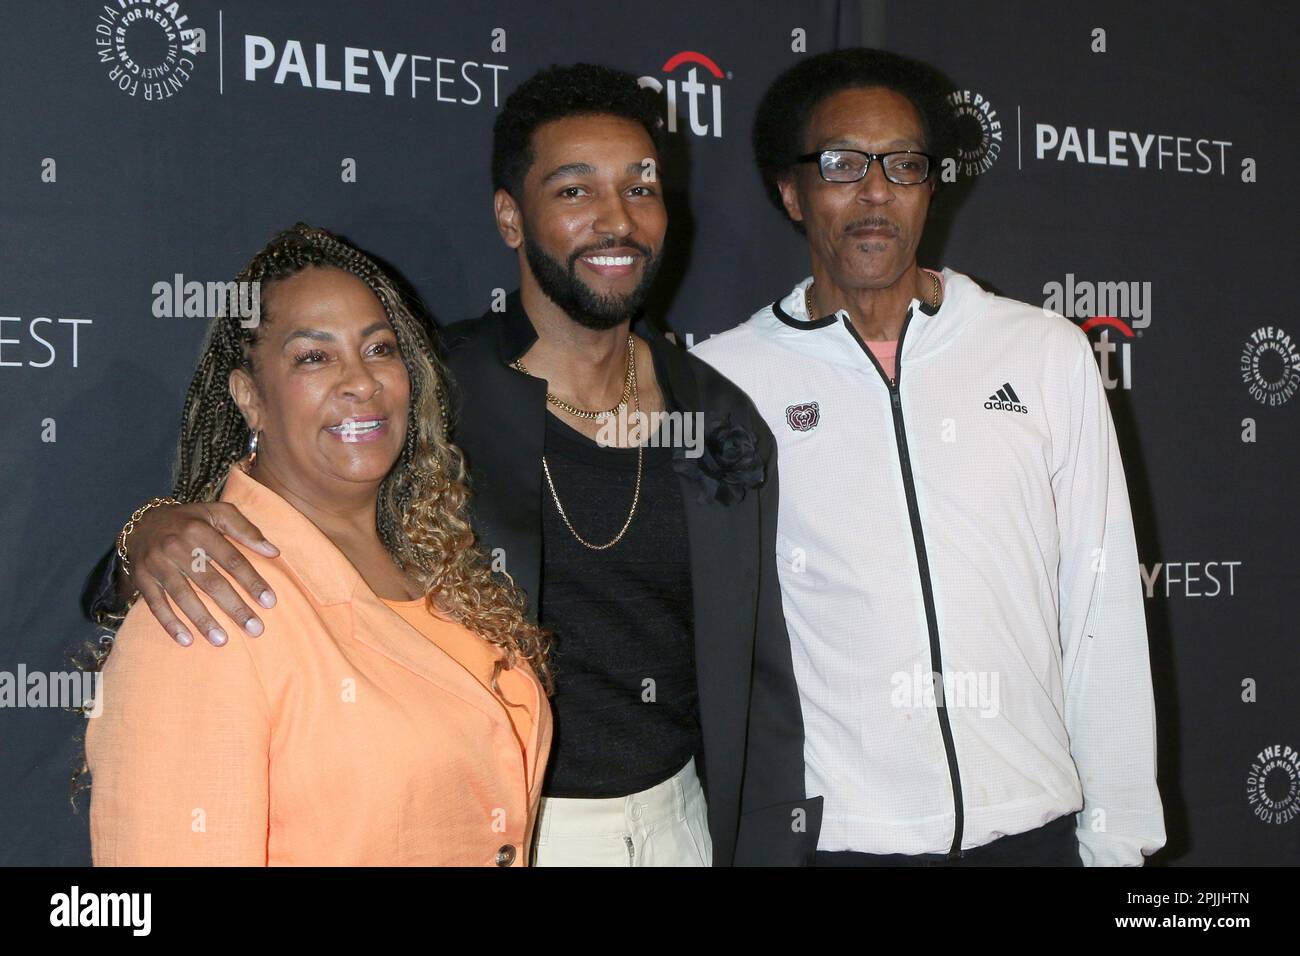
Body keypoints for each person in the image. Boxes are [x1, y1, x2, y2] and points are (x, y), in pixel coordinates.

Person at [83, 65, 820, 866]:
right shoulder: (430, 392)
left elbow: (758, 667)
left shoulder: (716, 415)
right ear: (512, 216)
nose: (617, 219)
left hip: (681, 822)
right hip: (514, 827)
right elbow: (244, 535)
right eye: (575, 191)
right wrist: (141, 535)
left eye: (640, 189)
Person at [692, 48, 1166, 866]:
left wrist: (1118, 837)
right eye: (842, 164)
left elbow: (1101, 604)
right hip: (839, 841)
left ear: (930, 187)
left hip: (1033, 827)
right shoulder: (725, 380)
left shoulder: (1045, 352)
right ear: (790, 191)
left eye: (904, 165)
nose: (875, 192)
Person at [85, 224, 552, 866]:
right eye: (314, 356)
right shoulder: (205, 606)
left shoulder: (436, 556)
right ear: (250, 398)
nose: (360, 382)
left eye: (379, 348)